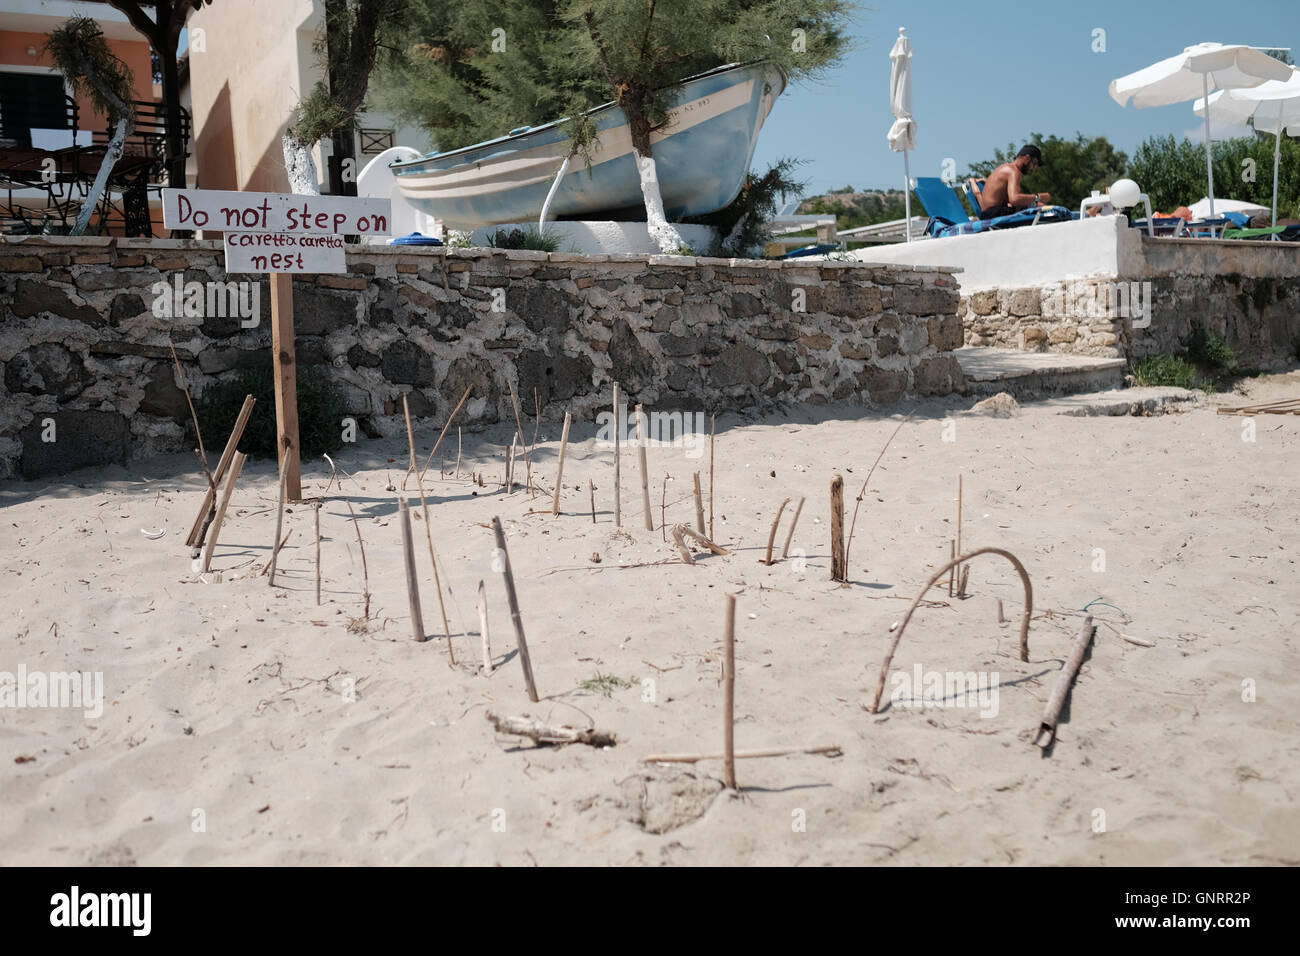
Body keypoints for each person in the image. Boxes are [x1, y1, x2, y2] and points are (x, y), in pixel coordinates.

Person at [977, 145, 1051, 220]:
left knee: (1032, 205)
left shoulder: (1005, 167)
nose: (1034, 169)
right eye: (1035, 164)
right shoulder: (1013, 171)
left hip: (988, 214)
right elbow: (1014, 199)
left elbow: (1011, 199)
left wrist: (1035, 202)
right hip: (994, 214)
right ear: (1027, 158)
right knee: (1035, 208)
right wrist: (1038, 197)